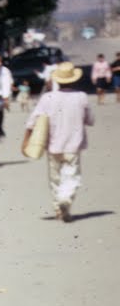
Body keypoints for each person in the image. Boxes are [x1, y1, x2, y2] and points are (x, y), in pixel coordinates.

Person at [22, 62, 95, 222]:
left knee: (55, 178)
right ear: (74, 80)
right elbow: (90, 120)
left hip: (53, 145)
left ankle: (58, 208)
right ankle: (65, 200)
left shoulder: (48, 97)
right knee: (72, 176)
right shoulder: (81, 97)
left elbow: (32, 121)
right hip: (73, 146)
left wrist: (26, 140)